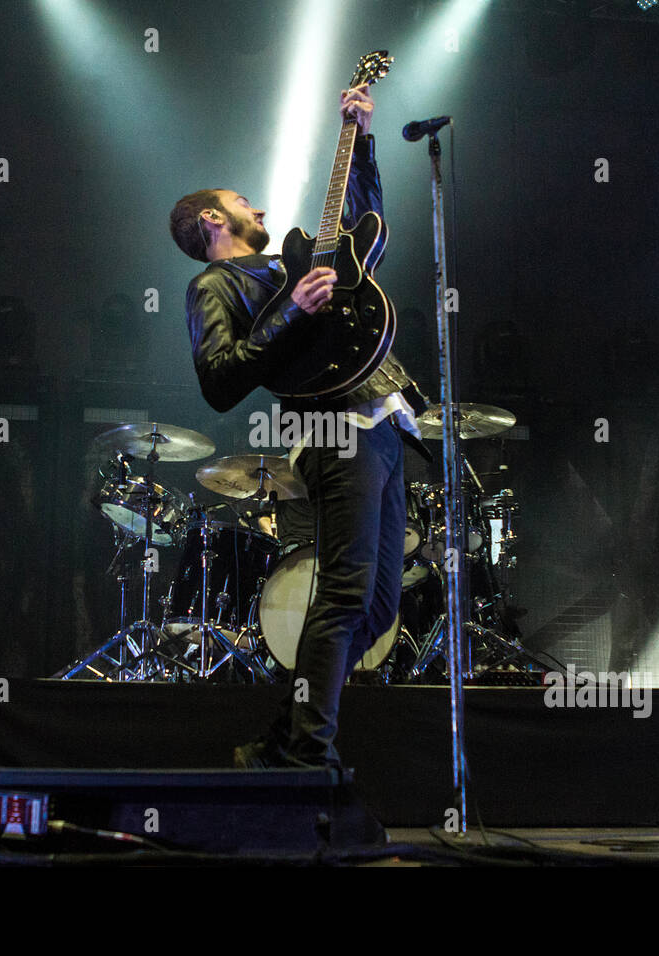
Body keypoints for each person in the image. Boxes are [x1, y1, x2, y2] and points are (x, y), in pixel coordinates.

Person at [169, 84, 428, 769]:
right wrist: (292, 313)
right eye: (240, 202)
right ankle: (308, 754)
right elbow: (220, 381)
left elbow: (366, 227)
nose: (255, 206)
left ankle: (280, 744)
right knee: (344, 593)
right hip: (334, 427)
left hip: (382, 416)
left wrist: (361, 138)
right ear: (209, 219)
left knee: (375, 608)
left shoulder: (294, 263)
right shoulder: (215, 288)